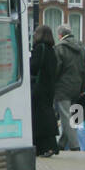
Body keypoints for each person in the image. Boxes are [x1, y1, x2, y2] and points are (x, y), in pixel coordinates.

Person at [54, 24, 85, 151]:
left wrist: (53, 84)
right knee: (71, 116)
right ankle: (61, 144)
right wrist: (83, 88)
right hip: (77, 87)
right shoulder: (81, 49)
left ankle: (75, 146)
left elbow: (57, 69)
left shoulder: (60, 48)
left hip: (63, 88)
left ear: (60, 35)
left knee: (65, 116)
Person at [30, 24, 59, 156]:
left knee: (38, 117)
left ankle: (43, 146)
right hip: (49, 87)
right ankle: (49, 146)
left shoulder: (39, 49)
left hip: (39, 87)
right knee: (47, 114)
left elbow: (33, 67)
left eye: (36, 33)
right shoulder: (51, 50)